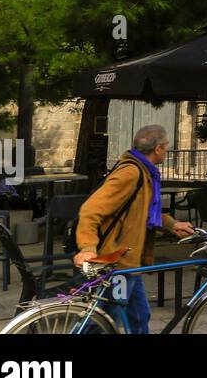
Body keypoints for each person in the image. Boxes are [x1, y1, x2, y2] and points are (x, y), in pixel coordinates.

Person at [74, 125, 195, 334]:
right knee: (104, 320)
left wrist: (172, 224)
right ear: (158, 148)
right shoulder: (131, 173)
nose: (167, 150)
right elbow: (90, 210)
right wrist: (87, 247)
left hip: (130, 261)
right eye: (166, 146)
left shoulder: (145, 172)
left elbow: (144, 211)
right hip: (116, 262)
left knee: (139, 317)